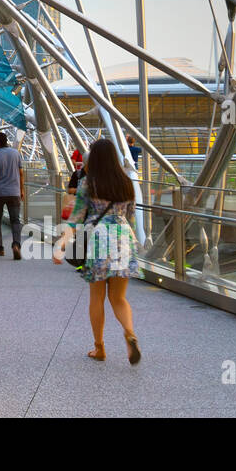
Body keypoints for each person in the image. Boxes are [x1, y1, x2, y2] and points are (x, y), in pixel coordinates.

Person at [53, 138, 142, 364]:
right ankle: (130, 333)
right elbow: (130, 214)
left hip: (99, 238)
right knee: (119, 298)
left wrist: (61, 245)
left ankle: (99, 348)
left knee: (97, 297)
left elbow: (75, 219)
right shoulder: (126, 183)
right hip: (123, 236)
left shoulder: (87, 184)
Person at [0, 132, 24, 258]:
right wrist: (22, 190)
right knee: (15, 220)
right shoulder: (16, 153)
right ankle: (16, 244)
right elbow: (21, 173)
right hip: (14, 193)